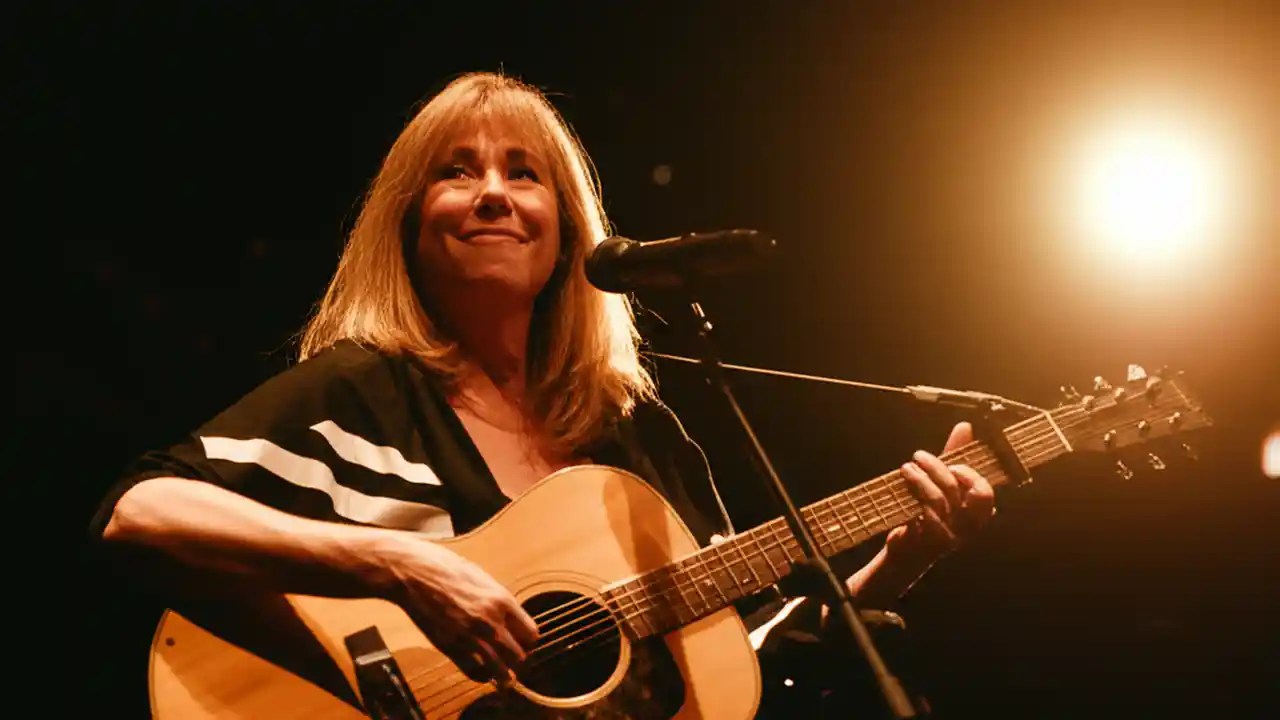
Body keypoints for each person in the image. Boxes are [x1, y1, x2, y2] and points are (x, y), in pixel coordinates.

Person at [89, 71, 995, 718]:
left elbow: (747, 660)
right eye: (457, 171)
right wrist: (402, 568)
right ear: (412, 223)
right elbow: (141, 513)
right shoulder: (366, 390)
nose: (492, 195)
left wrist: (903, 558)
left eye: (524, 174)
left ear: (566, 230)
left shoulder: (636, 435)